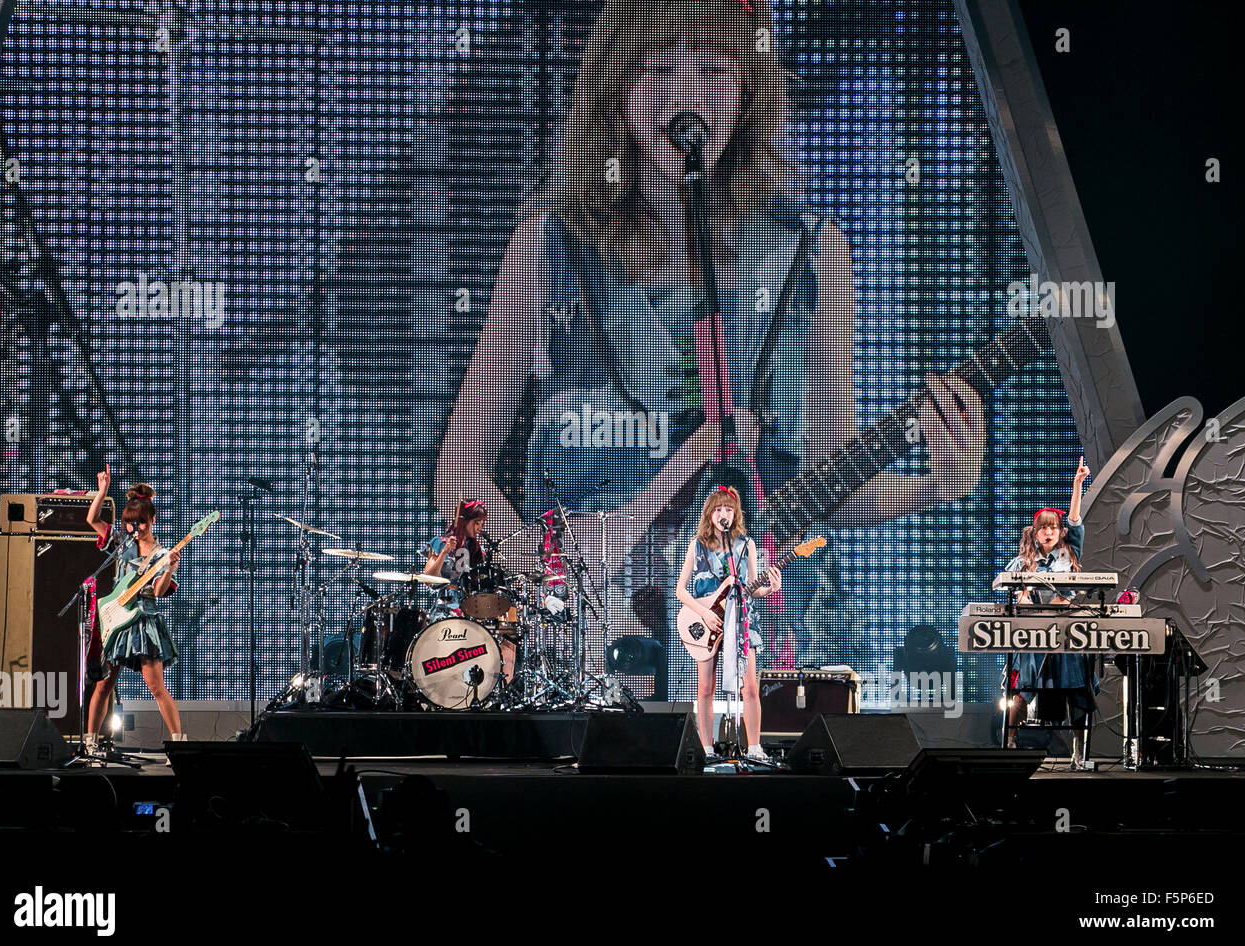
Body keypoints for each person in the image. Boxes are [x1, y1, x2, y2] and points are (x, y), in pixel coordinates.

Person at [433, 0, 986, 669]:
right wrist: (533, 560)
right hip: (601, 638)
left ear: (748, 92)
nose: (686, 93)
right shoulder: (551, 246)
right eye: (660, 67)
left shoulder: (810, 251)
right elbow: (460, 464)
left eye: (713, 70)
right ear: (618, 88)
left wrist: (938, 483)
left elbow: (826, 488)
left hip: (768, 637)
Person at [675, 485, 781, 758]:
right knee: (705, 688)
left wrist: (767, 589)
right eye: (719, 509)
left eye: (729, 509)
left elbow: (752, 586)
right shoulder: (697, 545)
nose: (724, 514)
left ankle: (755, 747)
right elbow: (680, 590)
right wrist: (705, 613)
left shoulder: (746, 545)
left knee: (750, 687)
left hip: (742, 620)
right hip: (706, 621)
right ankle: (706, 748)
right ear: (710, 514)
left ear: (736, 514)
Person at [85, 464, 183, 748]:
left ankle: (178, 743)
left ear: (151, 519)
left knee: (156, 687)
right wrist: (102, 491)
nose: (134, 528)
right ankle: (90, 742)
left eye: (139, 523)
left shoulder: (162, 553)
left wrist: (168, 569)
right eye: (130, 523)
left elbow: (161, 591)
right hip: (117, 621)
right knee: (104, 684)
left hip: (144, 622)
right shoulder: (122, 544)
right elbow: (93, 519)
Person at [1005, 456, 1094, 769]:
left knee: (1078, 692)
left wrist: (1078, 484)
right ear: (1035, 532)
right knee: (1018, 692)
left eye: (1053, 527)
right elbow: (1007, 586)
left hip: (1067, 635)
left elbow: (1075, 519)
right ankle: (1010, 744)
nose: (1048, 532)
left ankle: (1079, 754)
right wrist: (1023, 595)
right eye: (1043, 528)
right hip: (1032, 637)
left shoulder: (1069, 553)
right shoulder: (1023, 561)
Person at [422, 499, 515, 682]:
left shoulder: (474, 548)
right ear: (465, 521)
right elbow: (428, 578)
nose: (480, 528)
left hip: (467, 606)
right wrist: (445, 551)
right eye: (477, 523)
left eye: (482, 524)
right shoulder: (440, 541)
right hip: (445, 603)